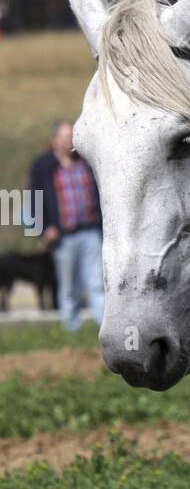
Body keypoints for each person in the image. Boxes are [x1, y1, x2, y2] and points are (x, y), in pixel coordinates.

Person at [29, 121, 104, 332]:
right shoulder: (43, 166)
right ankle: (72, 331)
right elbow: (33, 199)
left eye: (72, 136)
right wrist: (42, 229)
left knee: (97, 283)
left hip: (91, 232)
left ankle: (103, 330)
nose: (69, 141)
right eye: (64, 136)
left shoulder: (86, 161)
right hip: (63, 236)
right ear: (54, 140)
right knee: (69, 287)